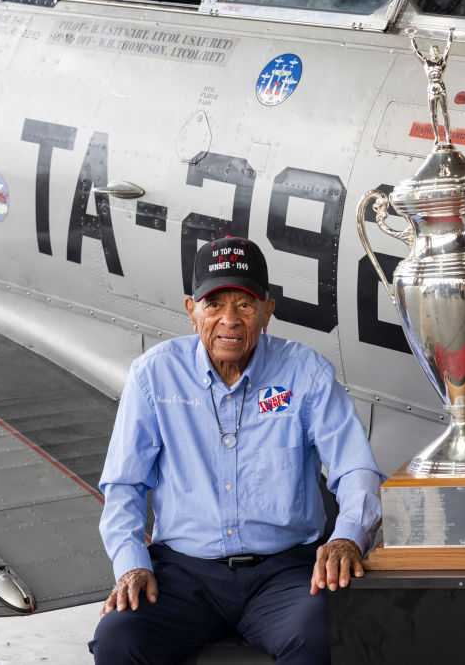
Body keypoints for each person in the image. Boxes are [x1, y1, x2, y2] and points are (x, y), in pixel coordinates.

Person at [89, 236, 384, 664]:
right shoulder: (154, 376)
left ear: (268, 309)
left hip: (283, 572)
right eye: (214, 305)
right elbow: (124, 485)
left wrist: (347, 539)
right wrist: (132, 564)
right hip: (183, 573)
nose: (229, 320)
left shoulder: (306, 373)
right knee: (119, 639)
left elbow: (356, 469)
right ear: (191, 310)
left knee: (326, 633)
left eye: (244, 305)